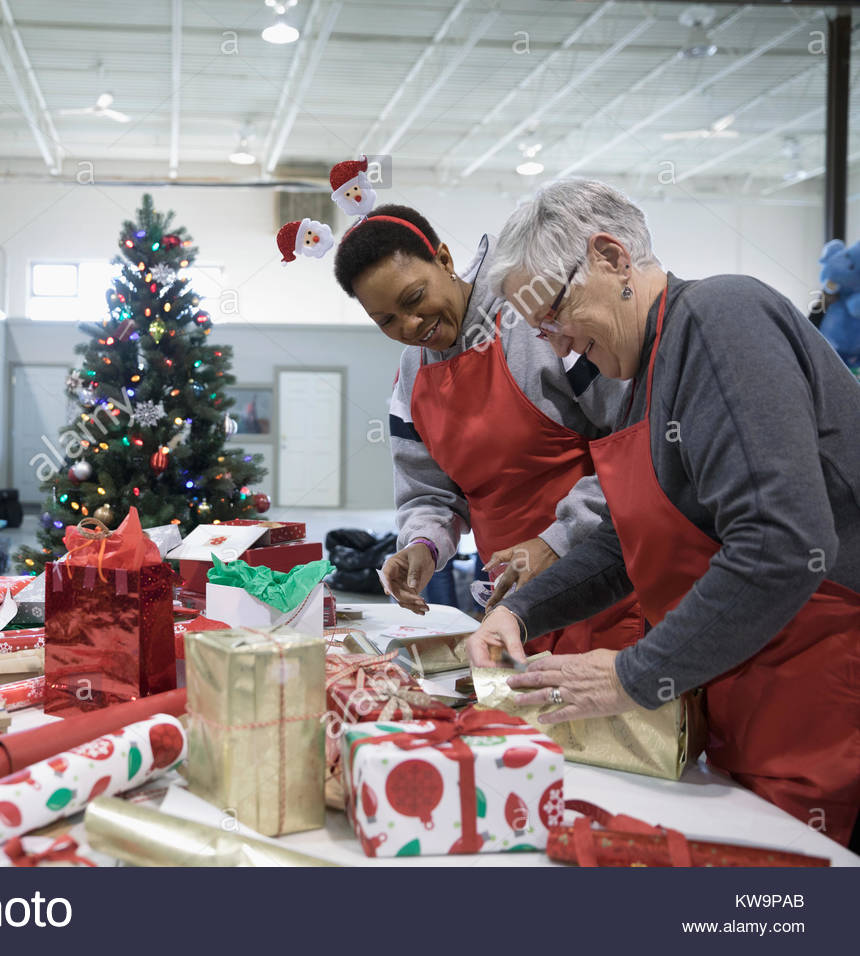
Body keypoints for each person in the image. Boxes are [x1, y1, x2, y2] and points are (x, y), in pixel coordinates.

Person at [468, 179, 860, 847]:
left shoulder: (720, 318)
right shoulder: (640, 377)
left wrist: (633, 675)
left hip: (824, 694)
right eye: (540, 332)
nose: (557, 346)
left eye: (554, 314)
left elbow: (783, 543)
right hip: (746, 693)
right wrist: (522, 612)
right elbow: (627, 542)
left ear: (612, 257)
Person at [332, 204, 645, 655]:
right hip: (511, 599)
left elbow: (633, 445)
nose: (410, 326)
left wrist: (557, 540)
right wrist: (423, 544)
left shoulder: (535, 321)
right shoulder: (412, 376)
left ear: (444, 259)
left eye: (414, 298)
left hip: (602, 582)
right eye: (386, 321)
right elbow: (428, 492)